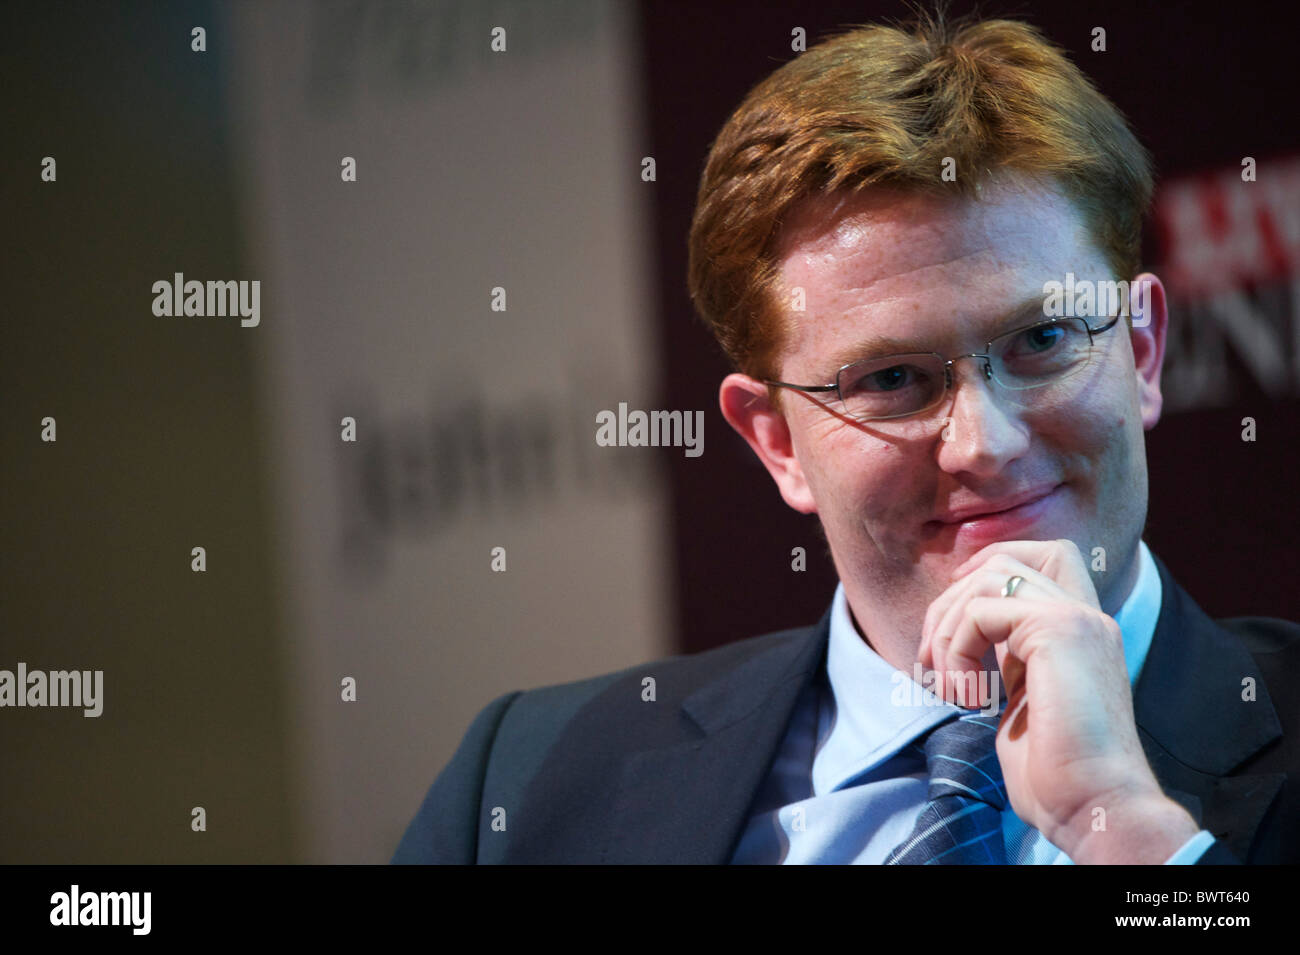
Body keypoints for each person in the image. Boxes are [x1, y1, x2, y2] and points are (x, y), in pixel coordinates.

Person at [393, 11, 1299, 864]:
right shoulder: (526, 789)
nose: (984, 443)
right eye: (893, 380)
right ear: (777, 440)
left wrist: (1125, 828)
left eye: (1043, 341)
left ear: (1141, 350)